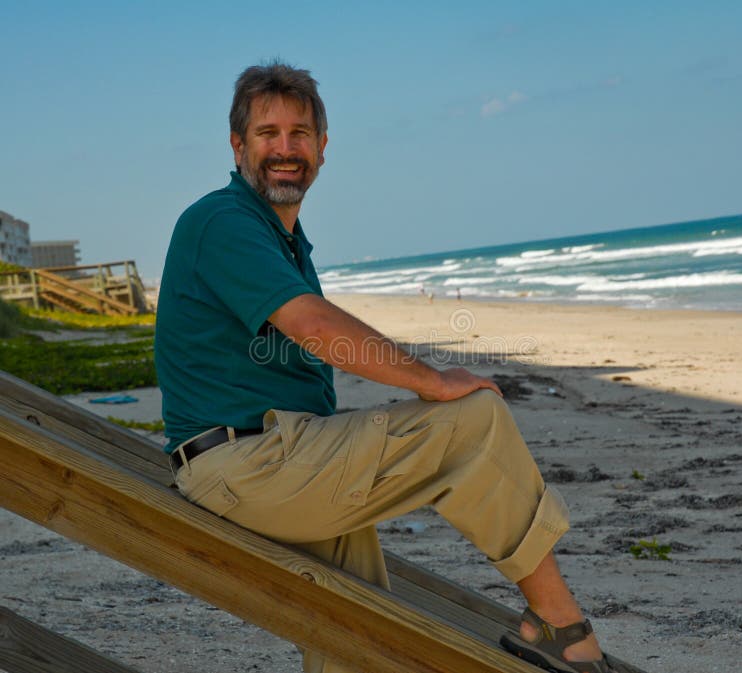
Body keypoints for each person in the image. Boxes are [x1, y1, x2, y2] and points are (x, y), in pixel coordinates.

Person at [155, 61, 616, 673]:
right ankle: (560, 627)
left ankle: (553, 628)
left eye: (300, 134)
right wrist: (432, 380)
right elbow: (316, 327)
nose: (285, 149)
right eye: (268, 134)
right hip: (250, 466)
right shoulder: (224, 222)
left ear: (322, 148)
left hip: (277, 458)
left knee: (356, 635)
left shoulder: (280, 237)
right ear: (239, 146)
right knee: (473, 417)